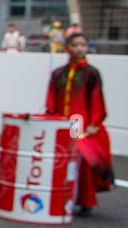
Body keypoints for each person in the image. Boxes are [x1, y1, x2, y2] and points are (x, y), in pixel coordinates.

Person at [46, 30, 115, 212]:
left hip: (78, 122)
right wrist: (51, 116)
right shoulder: (58, 73)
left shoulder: (91, 73)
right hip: (60, 120)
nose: (79, 49)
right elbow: (51, 97)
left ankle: (84, 201)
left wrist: (94, 123)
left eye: (82, 45)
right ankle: (58, 196)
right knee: (59, 158)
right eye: (75, 45)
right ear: (67, 48)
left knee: (81, 161)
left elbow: (96, 99)